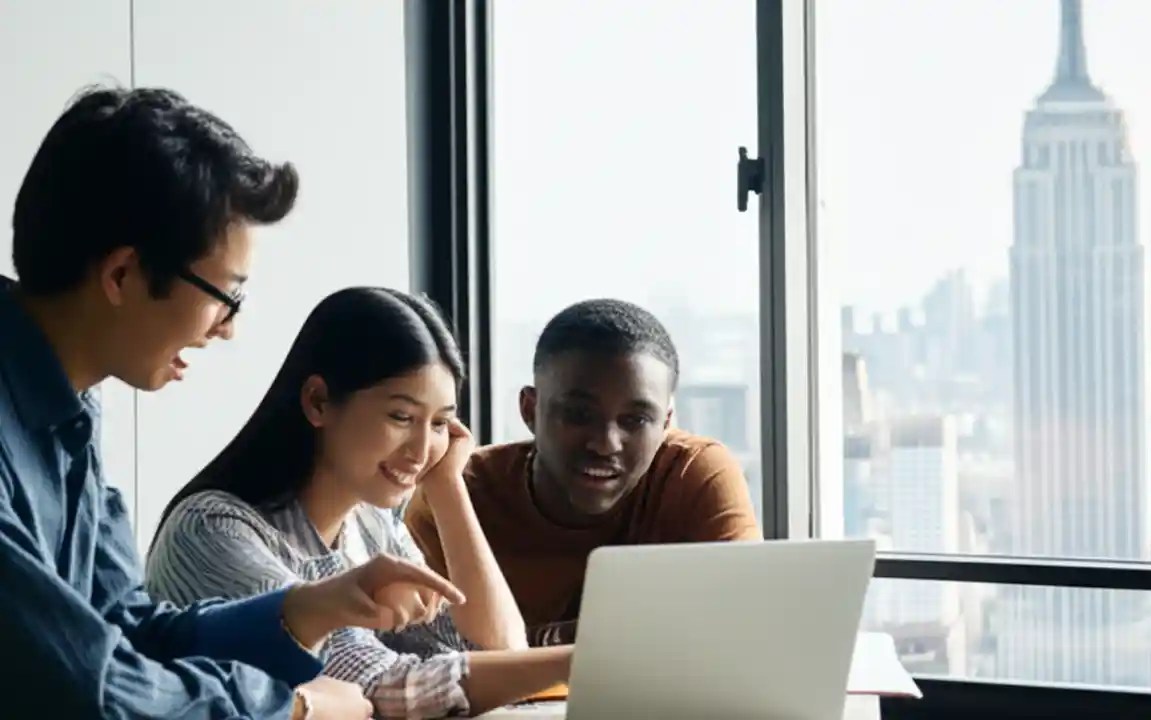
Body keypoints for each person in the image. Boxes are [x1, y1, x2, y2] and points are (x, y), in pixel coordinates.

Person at [0, 86, 463, 719]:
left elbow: (130, 628)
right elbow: (85, 688)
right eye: (227, 295)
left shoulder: (67, 410)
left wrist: (309, 608)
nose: (228, 328)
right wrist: (287, 708)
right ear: (122, 275)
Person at [147, 287, 574, 718]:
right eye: (401, 417)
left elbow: (497, 648)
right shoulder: (212, 530)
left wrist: (447, 489)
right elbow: (383, 690)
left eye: (441, 422)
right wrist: (574, 661)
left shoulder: (371, 523)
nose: (423, 449)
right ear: (318, 401)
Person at [405, 298, 762, 646]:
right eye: (578, 415)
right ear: (530, 410)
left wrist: (554, 638)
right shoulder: (457, 494)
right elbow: (435, 657)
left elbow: (746, 624)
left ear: (665, 423)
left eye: (635, 421)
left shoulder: (693, 475)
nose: (606, 444)